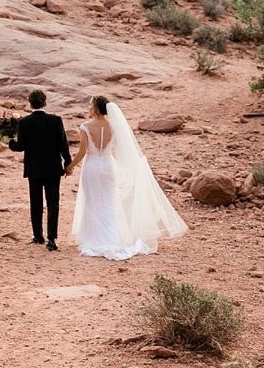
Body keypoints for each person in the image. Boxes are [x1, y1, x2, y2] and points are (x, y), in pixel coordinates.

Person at [66, 95, 188, 260]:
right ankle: (113, 236)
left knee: (93, 200)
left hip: (92, 167)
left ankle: (95, 237)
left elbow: (82, 152)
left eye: (90, 105)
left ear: (95, 108)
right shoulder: (114, 126)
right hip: (109, 165)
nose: (89, 108)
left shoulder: (85, 127)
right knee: (108, 201)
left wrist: (70, 166)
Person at [7, 89, 72, 251]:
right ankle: (52, 239)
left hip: (34, 169)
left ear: (30, 103)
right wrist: (67, 162)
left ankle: (38, 236)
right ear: (45, 102)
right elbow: (63, 144)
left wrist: (9, 142)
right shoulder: (56, 120)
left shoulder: (24, 123)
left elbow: (20, 146)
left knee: (35, 203)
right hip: (53, 168)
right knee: (53, 204)